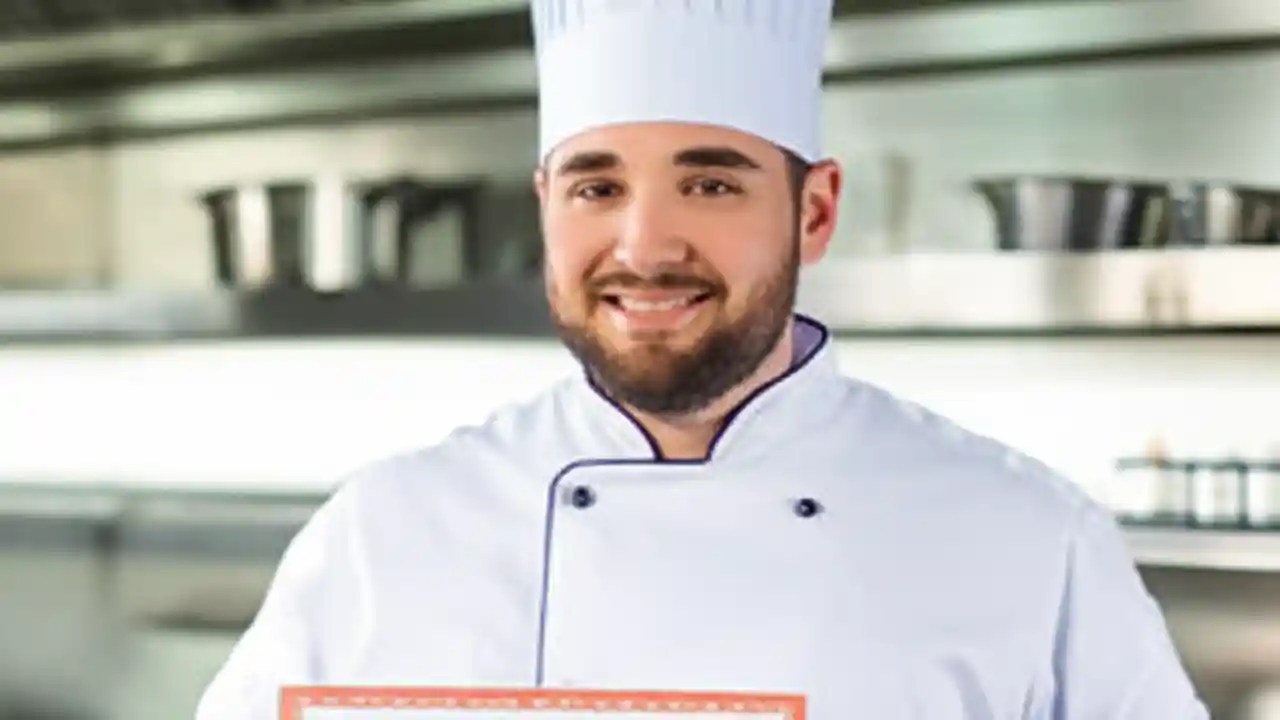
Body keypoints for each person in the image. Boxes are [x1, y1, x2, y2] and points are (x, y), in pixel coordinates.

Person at [197, 1, 1209, 717]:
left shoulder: (1028, 540)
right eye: (596, 188)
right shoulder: (383, 534)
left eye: (710, 186)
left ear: (812, 211)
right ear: (545, 205)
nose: (644, 246)